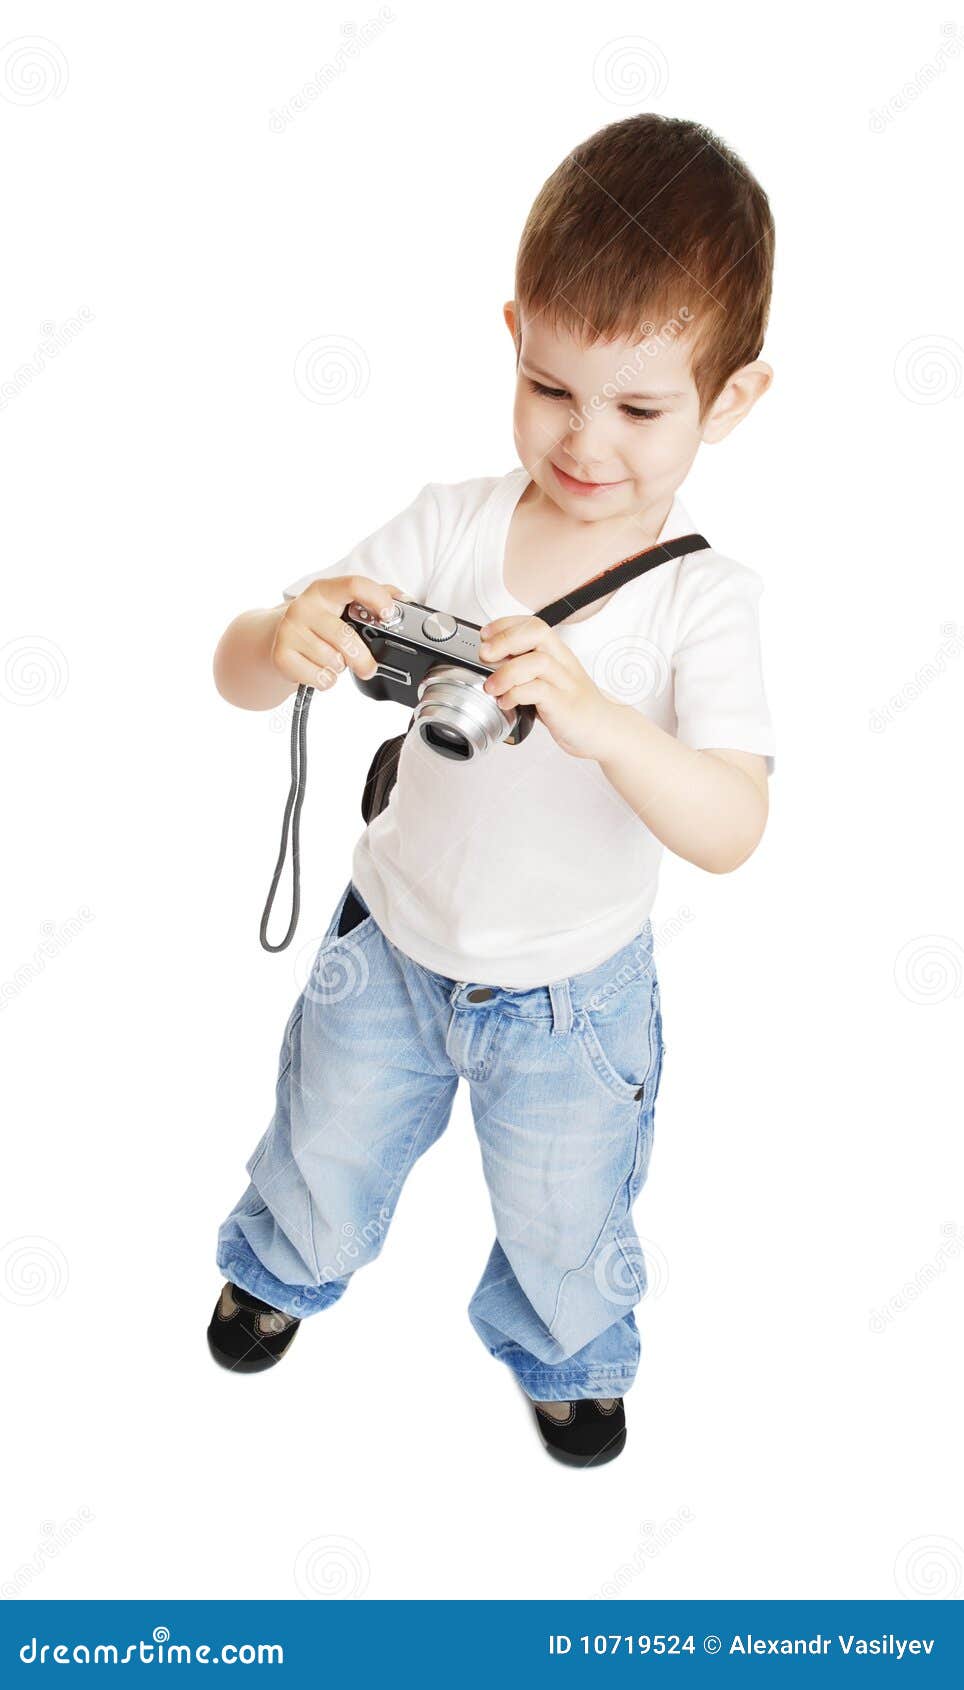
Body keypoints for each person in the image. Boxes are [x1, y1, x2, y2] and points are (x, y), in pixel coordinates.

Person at [207, 113, 777, 1468]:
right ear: (514, 335)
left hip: (573, 996)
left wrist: (598, 720)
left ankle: (569, 1354)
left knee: (566, 1213)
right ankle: (283, 1262)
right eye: (549, 386)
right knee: (323, 1137)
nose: (584, 441)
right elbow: (236, 672)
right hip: (388, 947)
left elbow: (734, 828)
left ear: (730, 400)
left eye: (641, 409)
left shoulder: (705, 601)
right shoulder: (453, 522)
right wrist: (287, 633)